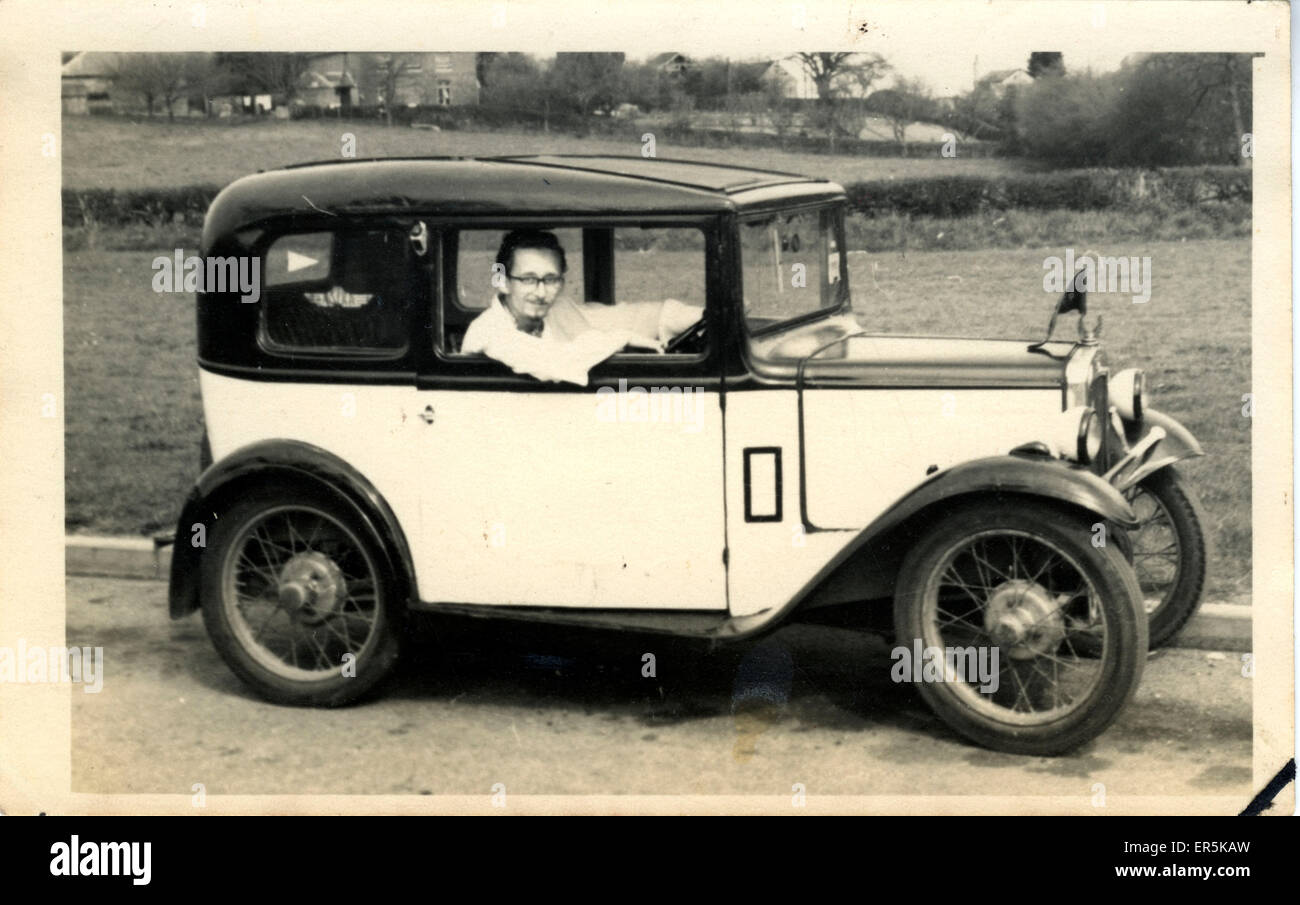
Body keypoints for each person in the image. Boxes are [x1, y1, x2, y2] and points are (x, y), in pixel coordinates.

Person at [461, 229, 703, 386]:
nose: (542, 292)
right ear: (501, 280)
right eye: (528, 279)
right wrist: (624, 338)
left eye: (551, 279)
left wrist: (697, 316)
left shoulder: (557, 309)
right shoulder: (487, 332)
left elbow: (614, 318)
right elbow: (555, 363)